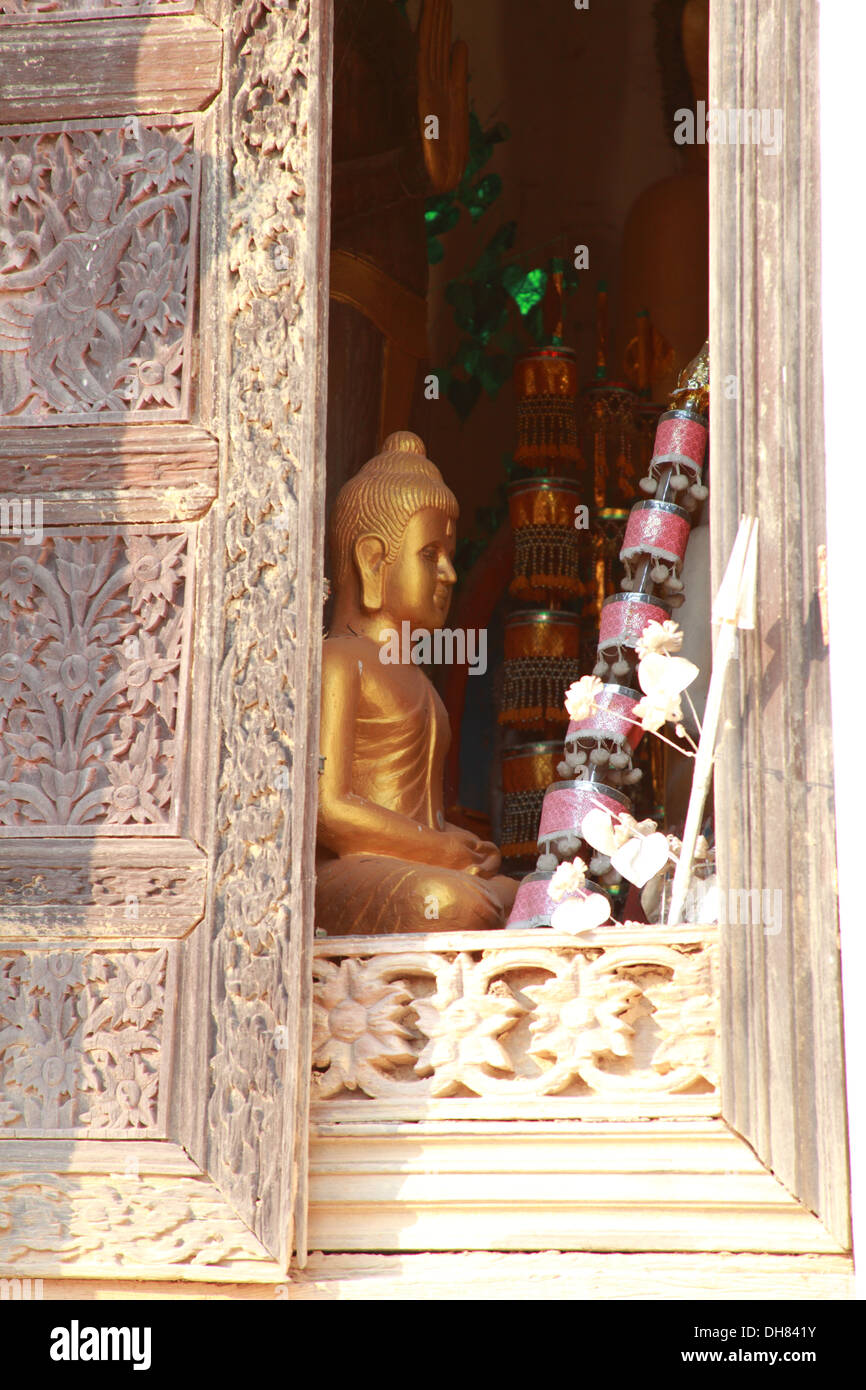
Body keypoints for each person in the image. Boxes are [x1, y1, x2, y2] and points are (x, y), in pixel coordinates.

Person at [316, 431, 517, 934]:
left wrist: (461, 843)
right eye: (431, 554)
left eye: (449, 556)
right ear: (372, 559)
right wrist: (439, 849)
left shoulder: (417, 677)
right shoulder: (339, 660)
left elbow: (420, 814)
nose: (449, 574)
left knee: (529, 897)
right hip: (349, 871)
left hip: (415, 863)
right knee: (455, 902)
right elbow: (329, 808)